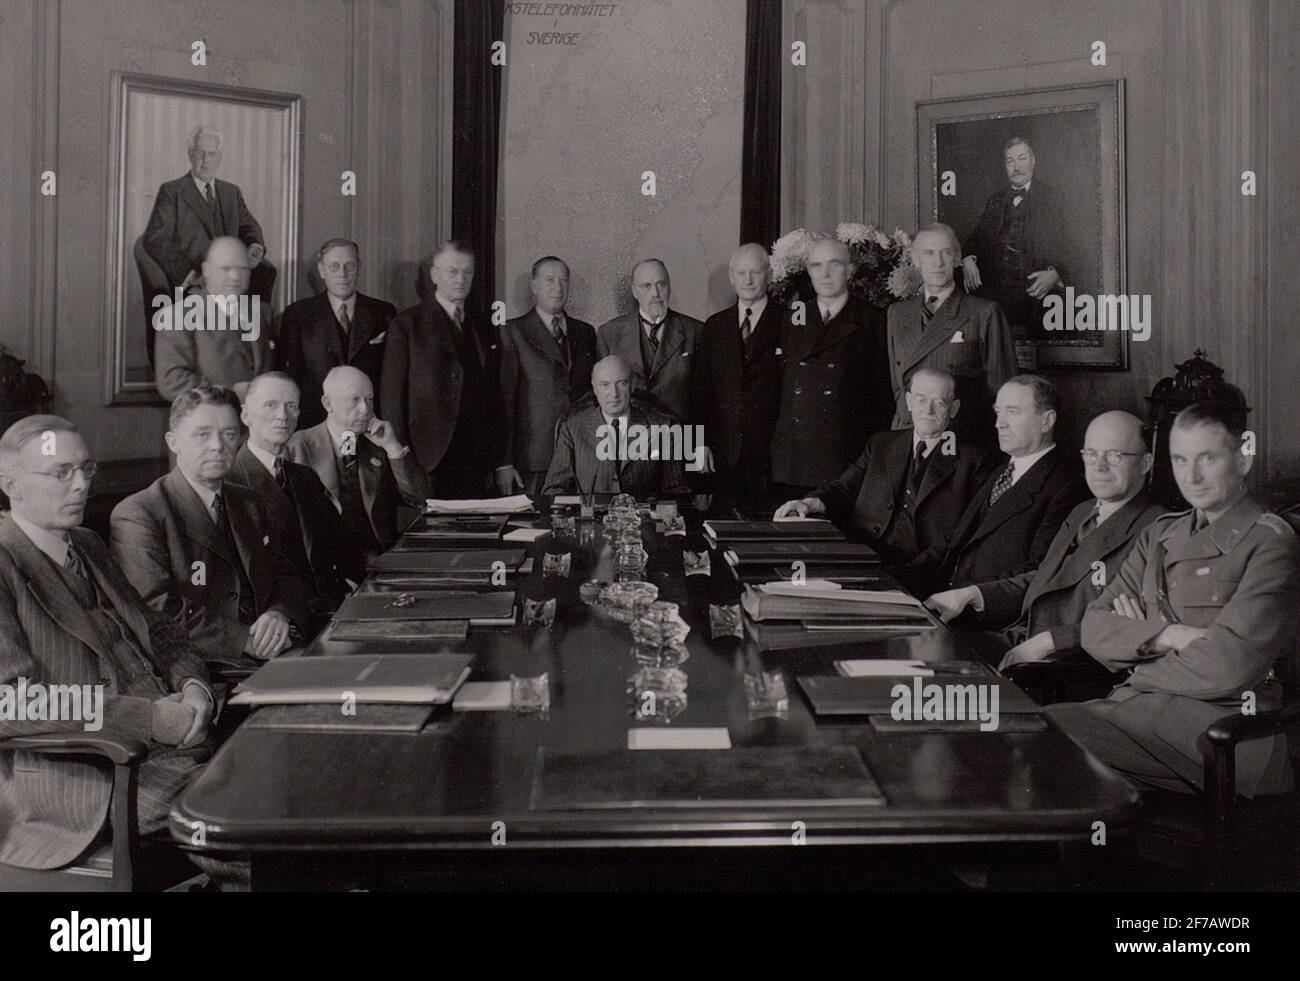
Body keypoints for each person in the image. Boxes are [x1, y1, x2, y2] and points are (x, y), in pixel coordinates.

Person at [1048, 402, 1300, 798]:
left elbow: (1228, 666)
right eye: (1180, 459)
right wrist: (1168, 635)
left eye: (1208, 458)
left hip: (1230, 736)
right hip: (1147, 718)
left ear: (1243, 459)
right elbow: (1093, 627)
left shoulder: (1270, 544)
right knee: (1027, 736)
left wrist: (1139, 658)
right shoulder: (1160, 535)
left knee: (1039, 745)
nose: (1192, 476)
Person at [0, 415, 217, 871]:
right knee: (258, 830)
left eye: (86, 469)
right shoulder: (5, 560)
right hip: (93, 774)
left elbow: (157, 628)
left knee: (290, 797)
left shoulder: (87, 543)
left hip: (178, 744)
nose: (80, 485)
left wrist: (194, 684)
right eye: (61, 472)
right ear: (11, 485)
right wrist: (152, 719)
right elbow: (12, 702)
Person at [925, 410, 1164, 667]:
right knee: (917, 647)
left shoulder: (1157, 528)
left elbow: (1127, 625)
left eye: (1115, 456)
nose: (1099, 467)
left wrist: (1051, 642)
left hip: (1063, 664)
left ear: (1145, 463)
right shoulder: (1083, 510)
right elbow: (1046, 581)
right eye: (1091, 454)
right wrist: (973, 594)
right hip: (1018, 639)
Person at [111, 385, 311, 665]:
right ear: (173, 442)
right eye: (202, 434)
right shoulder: (139, 513)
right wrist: (245, 640)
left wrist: (279, 614)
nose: (217, 446)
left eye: (229, 434)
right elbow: (155, 609)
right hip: (202, 666)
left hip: (274, 652)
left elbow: (288, 576)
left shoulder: (249, 501)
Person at [774, 368, 995, 563]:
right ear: (908, 401)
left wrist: (916, 572)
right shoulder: (881, 443)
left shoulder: (972, 461)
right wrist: (809, 503)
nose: (928, 411)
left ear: (953, 408)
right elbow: (844, 489)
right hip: (860, 556)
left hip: (921, 571)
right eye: (920, 399)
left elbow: (961, 534)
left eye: (939, 402)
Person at [904, 374, 1088, 595]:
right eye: (998, 412)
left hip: (987, 614)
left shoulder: (1067, 487)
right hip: (944, 597)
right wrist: (897, 577)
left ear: (1047, 421)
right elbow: (953, 541)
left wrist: (967, 597)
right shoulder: (1001, 472)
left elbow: (1038, 573)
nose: (999, 423)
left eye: (1012, 412)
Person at [381, 241, 508, 497]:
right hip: (427, 461)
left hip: (476, 461)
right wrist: (403, 459)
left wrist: (499, 459)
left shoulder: (482, 325)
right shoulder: (408, 324)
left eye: (468, 272)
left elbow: (495, 397)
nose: (461, 279)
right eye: (452, 271)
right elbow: (392, 398)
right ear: (434, 275)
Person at [229, 372, 361, 618]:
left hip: (331, 610)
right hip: (279, 621)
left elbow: (343, 545)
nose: (282, 415)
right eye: (271, 405)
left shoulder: (304, 477)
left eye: (291, 406)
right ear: (245, 415)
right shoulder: (230, 482)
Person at [769, 237, 892, 497]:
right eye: (816, 265)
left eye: (833, 264)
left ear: (850, 270)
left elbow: (882, 396)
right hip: (793, 458)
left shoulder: (873, 319)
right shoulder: (794, 315)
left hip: (843, 457)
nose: (824, 273)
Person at [887, 223, 1016, 442]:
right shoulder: (897, 314)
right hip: (907, 435)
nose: (938, 262)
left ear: (957, 259)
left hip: (961, 439)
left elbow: (1003, 391)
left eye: (946, 253)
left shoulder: (983, 312)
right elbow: (898, 386)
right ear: (916, 260)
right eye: (928, 253)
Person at [288, 366, 427, 557]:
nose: (365, 409)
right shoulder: (297, 446)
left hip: (380, 559)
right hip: (326, 564)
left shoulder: (377, 444)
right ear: (328, 403)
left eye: (369, 399)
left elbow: (419, 497)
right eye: (354, 400)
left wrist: (393, 446)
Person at [497, 256, 598, 495]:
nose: (558, 287)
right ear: (534, 286)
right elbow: (504, 401)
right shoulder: (513, 331)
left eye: (563, 280)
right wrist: (504, 461)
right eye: (550, 280)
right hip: (532, 460)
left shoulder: (585, 332)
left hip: (581, 455)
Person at [690, 244, 783, 499]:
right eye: (741, 273)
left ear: (770, 275)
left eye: (756, 272)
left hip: (773, 455)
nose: (748, 280)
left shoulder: (788, 322)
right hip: (723, 454)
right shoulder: (715, 326)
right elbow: (700, 392)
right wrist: (699, 443)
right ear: (731, 277)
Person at [275, 238, 396, 431]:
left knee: (357, 461)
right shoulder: (298, 314)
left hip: (367, 422)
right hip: (316, 423)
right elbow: (291, 376)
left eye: (349, 266)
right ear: (322, 270)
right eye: (334, 267)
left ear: (359, 267)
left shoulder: (383, 313)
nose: (343, 274)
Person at [960, 136, 1070, 332]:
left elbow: (1074, 247)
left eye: (1022, 158)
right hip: (998, 298)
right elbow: (977, 238)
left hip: (1038, 299)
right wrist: (968, 259)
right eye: (1010, 161)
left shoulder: (1054, 199)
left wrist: (1056, 274)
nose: (1016, 167)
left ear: (1033, 160)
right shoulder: (995, 201)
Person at [142, 125, 267, 292]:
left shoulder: (231, 192)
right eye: (200, 153)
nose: (205, 160)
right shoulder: (172, 191)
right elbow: (156, 239)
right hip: (197, 276)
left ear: (219, 158)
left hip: (230, 275)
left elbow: (248, 226)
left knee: (266, 275)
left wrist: (255, 246)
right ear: (190, 155)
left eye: (212, 153)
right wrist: (190, 276)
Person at [543, 356, 689, 497]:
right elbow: (554, 489)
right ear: (594, 388)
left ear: (632, 385)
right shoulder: (572, 428)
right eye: (605, 384)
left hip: (642, 520)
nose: (614, 394)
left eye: (622, 383)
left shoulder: (662, 427)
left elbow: (676, 489)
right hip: (591, 519)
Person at [152, 236, 273, 401]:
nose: (235, 276)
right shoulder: (178, 315)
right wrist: (231, 393)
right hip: (206, 422)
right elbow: (172, 381)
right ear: (206, 270)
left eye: (243, 269)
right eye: (226, 268)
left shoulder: (258, 313)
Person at [596, 259, 702, 421]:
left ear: (669, 287)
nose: (655, 294)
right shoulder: (609, 333)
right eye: (646, 286)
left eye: (661, 285)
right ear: (634, 292)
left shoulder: (695, 331)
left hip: (679, 435)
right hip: (629, 438)